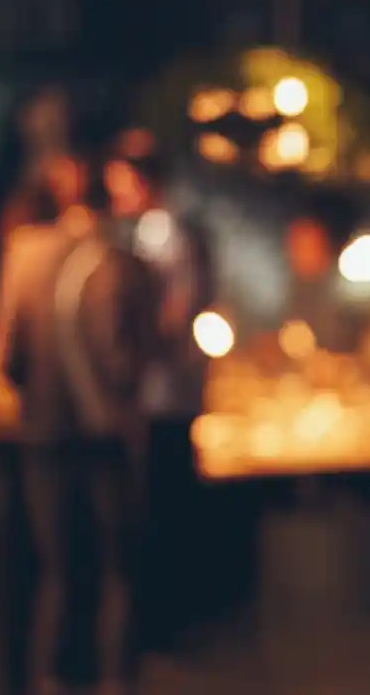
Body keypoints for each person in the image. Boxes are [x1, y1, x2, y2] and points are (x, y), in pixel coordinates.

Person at [0, 159, 157, 695]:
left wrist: (36, 395)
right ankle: (116, 678)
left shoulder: (23, 255)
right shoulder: (119, 258)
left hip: (43, 432)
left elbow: (6, 357)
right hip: (107, 434)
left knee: (56, 570)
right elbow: (132, 353)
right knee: (117, 568)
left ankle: (51, 678)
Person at [101, 148, 213, 649]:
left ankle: (166, 623)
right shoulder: (161, 233)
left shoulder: (162, 235)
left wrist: (131, 351)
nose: (115, 195)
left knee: (162, 508)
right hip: (166, 394)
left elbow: (172, 314)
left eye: (122, 183)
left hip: (164, 396)